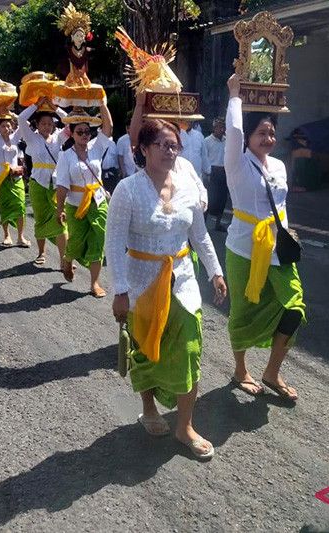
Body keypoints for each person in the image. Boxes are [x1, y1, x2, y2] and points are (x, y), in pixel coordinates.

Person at [106, 118, 227, 460]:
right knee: (146, 350)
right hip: (142, 283)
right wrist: (120, 290)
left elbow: (199, 234)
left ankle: (185, 425)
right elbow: (114, 244)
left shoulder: (188, 186)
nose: (169, 150)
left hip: (184, 280)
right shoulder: (128, 190)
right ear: (143, 149)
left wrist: (215, 272)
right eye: (161, 144)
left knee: (190, 348)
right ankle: (149, 408)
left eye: (174, 145)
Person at [224, 74, 307, 401]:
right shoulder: (236, 163)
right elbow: (233, 131)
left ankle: (272, 371)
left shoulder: (279, 166)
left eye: (272, 132)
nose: (268, 138)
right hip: (244, 248)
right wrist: (235, 95)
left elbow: (282, 204)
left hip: (279, 250)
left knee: (294, 306)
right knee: (243, 310)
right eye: (261, 132)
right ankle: (240, 368)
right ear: (248, 137)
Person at [55, 102, 113, 296]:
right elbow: (62, 185)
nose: (84, 135)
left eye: (87, 132)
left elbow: (108, 128)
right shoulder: (65, 156)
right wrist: (60, 208)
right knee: (77, 240)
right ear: (71, 133)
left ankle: (94, 283)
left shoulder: (96, 147)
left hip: (97, 200)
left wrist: (102, 103)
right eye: (80, 132)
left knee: (99, 238)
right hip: (75, 204)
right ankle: (68, 259)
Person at [17, 97, 69, 266]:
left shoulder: (59, 138)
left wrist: (55, 108)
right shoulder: (31, 138)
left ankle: (63, 259)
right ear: (37, 125)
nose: (47, 126)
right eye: (43, 123)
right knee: (40, 219)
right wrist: (36, 105)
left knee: (61, 220)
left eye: (49, 123)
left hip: (56, 185)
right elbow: (20, 119)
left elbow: (70, 123)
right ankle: (41, 253)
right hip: (37, 183)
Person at [0, 109, 30, 247]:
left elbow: (25, 123)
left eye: (8, 125)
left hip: (16, 177)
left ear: (12, 126)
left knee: (21, 205)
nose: (6, 128)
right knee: (4, 206)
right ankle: (6, 235)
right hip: (0, 177)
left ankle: (21, 237)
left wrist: (11, 113)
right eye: (3, 125)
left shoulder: (15, 137)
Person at [203, 117, 227, 231]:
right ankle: (204, 224)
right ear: (214, 127)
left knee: (222, 199)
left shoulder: (227, 140)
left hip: (224, 172)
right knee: (209, 198)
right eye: (218, 127)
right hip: (212, 172)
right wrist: (207, 173)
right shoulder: (207, 141)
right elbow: (205, 157)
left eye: (223, 127)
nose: (221, 129)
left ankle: (218, 224)